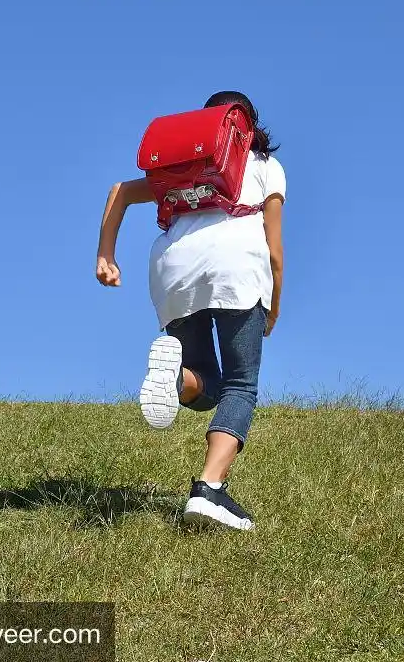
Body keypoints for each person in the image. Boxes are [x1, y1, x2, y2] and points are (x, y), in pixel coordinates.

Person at [94, 90, 286, 531]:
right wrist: (273, 306)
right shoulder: (264, 166)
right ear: (248, 127)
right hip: (236, 266)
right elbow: (274, 251)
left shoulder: (184, 166)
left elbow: (119, 190)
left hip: (172, 266)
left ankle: (176, 376)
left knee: (208, 381)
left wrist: (106, 254)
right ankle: (209, 490)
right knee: (240, 383)